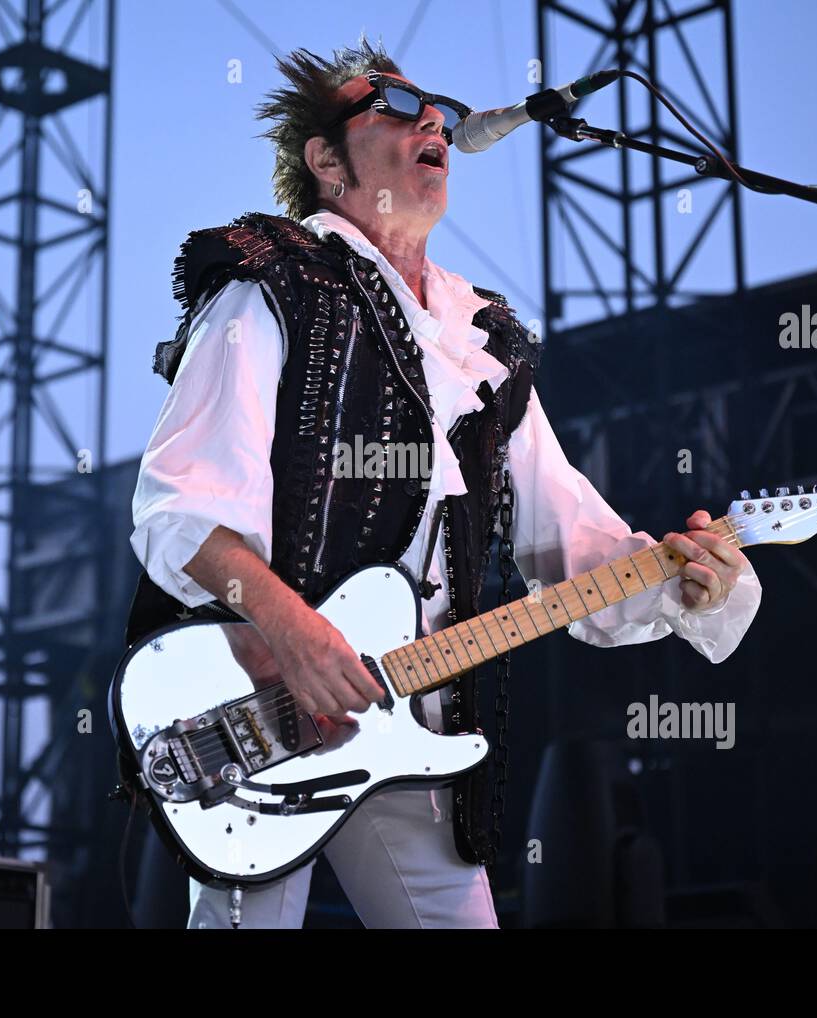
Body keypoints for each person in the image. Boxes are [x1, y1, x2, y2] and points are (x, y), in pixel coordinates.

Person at [125, 36, 762, 929]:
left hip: (406, 723)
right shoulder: (272, 286)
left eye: (441, 112)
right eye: (392, 104)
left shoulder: (485, 341)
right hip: (256, 701)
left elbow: (571, 543)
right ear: (326, 160)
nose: (433, 117)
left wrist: (681, 578)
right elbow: (179, 510)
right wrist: (294, 634)